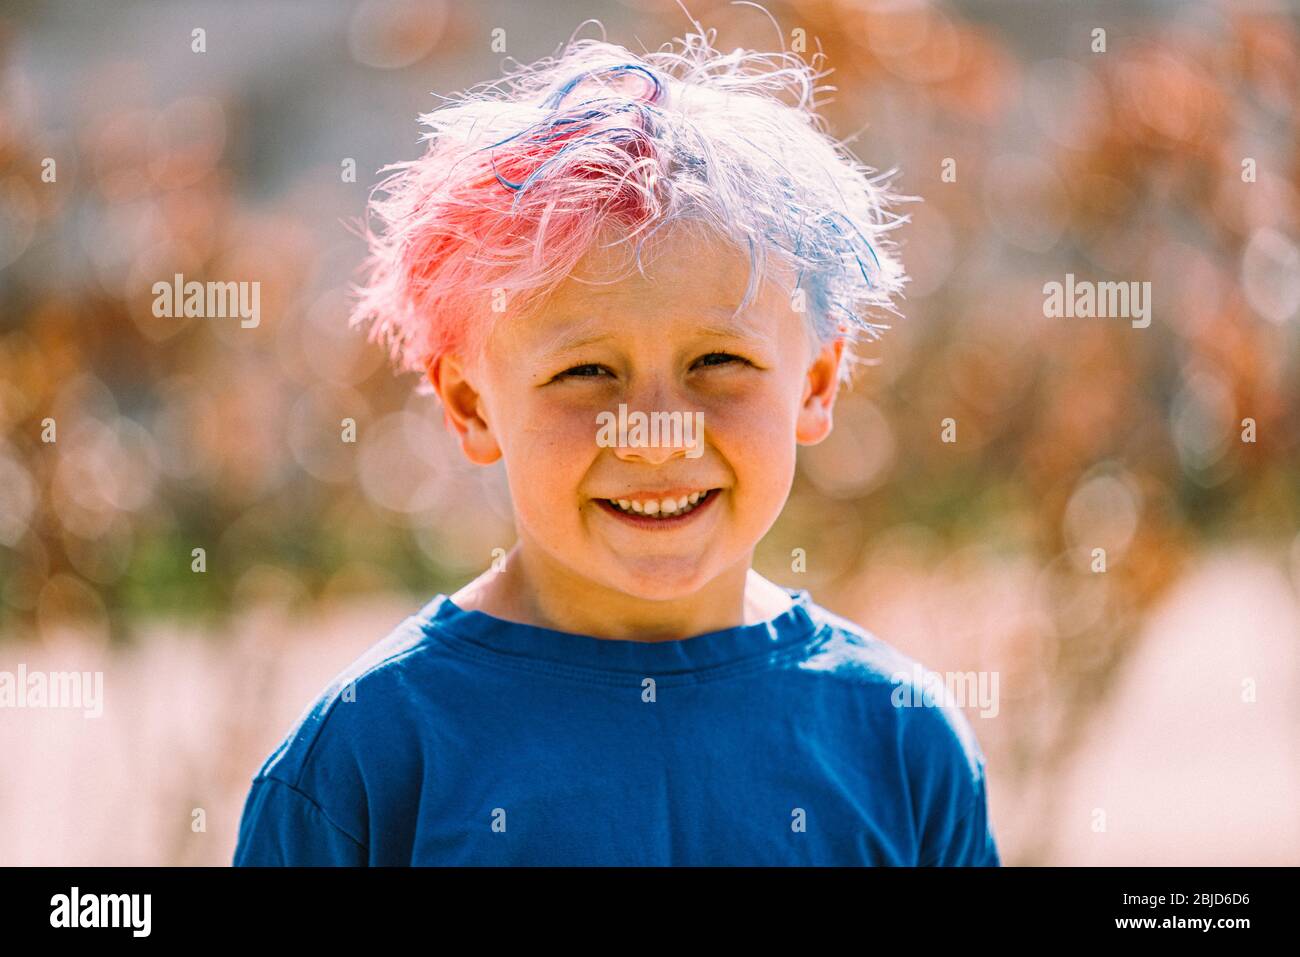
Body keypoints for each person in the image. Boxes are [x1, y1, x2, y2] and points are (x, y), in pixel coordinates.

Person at [232, 24, 1000, 866]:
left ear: (816, 381)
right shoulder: (370, 764)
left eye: (719, 361)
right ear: (470, 403)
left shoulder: (902, 742)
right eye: (588, 371)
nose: (652, 433)